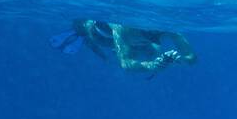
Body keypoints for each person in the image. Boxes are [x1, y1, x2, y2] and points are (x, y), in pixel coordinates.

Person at [51, 20, 197, 77]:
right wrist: (154, 65)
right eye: (151, 35)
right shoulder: (120, 31)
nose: (156, 38)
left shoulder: (157, 31)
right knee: (87, 34)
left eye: (156, 35)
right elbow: (126, 65)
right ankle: (78, 32)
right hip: (98, 35)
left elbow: (178, 37)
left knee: (152, 50)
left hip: (127, 42)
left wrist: (188, 58)